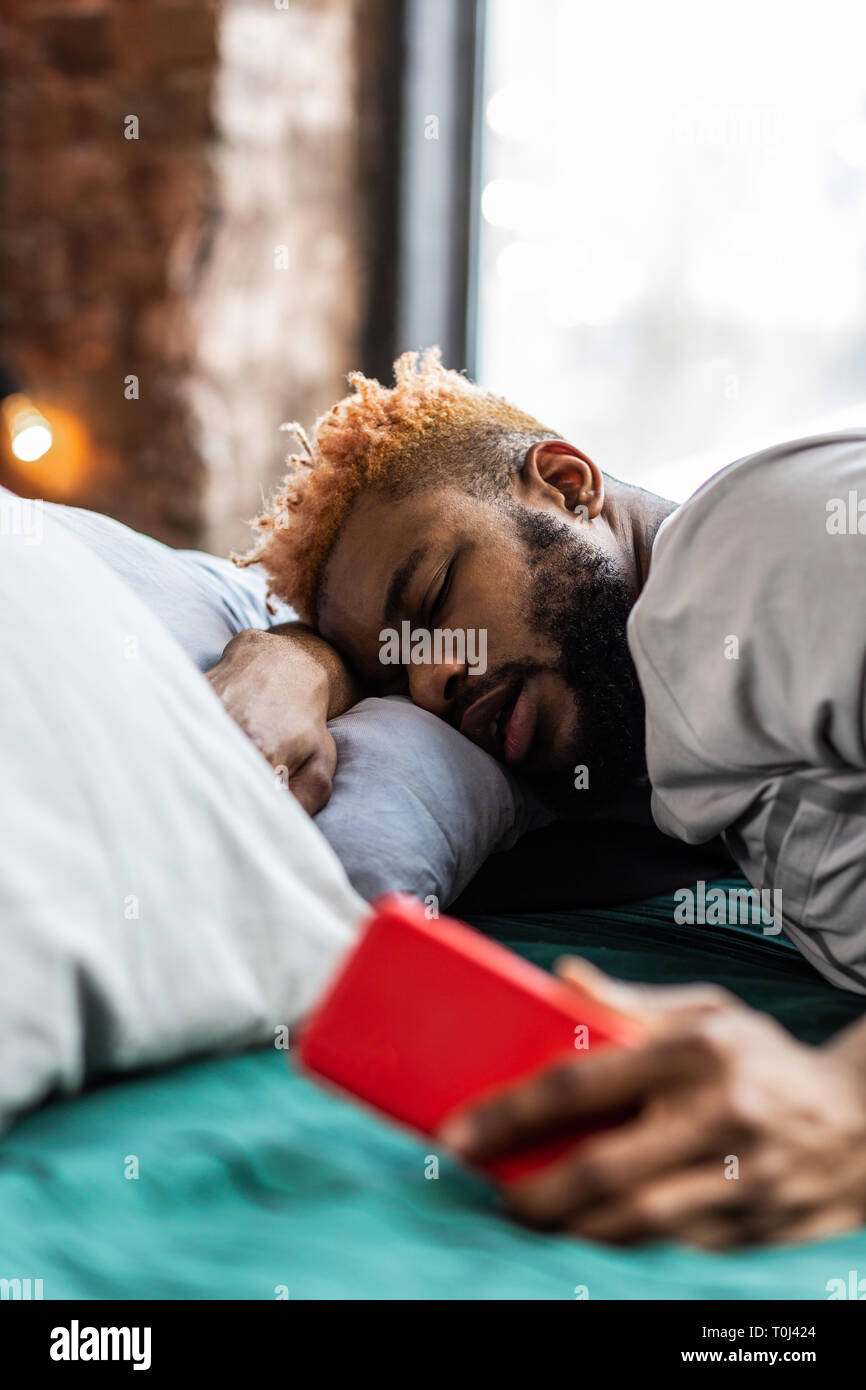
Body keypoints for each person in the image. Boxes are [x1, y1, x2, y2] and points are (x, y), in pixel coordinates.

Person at [207, 349, 866, 1246]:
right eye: (397, 678)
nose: (435, 679)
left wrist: (846, 1103)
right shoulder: (668, 752)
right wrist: (294, 659)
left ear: (565, 484)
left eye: (434, 596)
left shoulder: (741, 552)